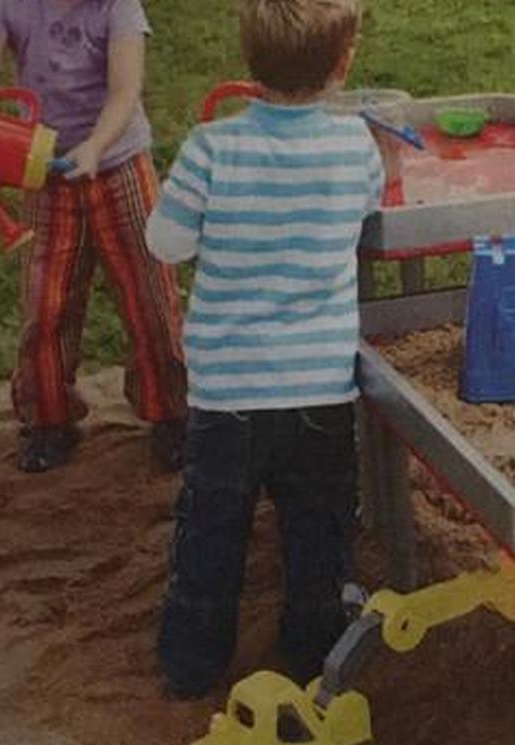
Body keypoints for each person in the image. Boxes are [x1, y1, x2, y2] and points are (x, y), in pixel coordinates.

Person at [146, 0, 383, 699]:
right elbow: (370, 208)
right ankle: (312, 651)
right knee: (318, 528)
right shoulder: (354, 148)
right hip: (317, 389)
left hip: (228, 392)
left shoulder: (212, 148)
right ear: (344, 63)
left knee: (212, 529)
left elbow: (166, 243)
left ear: (249, 62)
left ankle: (191, 662)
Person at [0, 0, 188, 473]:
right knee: (45, 304)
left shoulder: (119, 8)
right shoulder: (6, 6)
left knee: (151, 297)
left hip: (120, 167)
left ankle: (173, 413)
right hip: (46, 171)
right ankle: (48, 420)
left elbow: (125, 90)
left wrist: (95, 145)